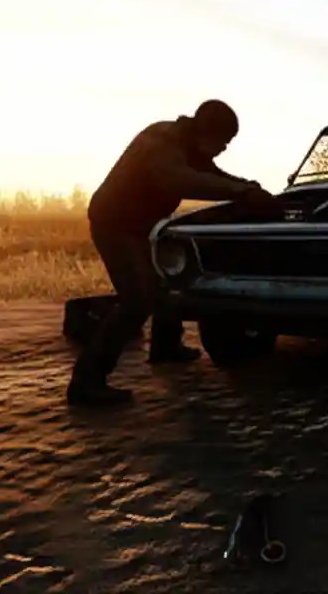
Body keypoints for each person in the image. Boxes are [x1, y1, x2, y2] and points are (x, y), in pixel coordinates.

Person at [68, 99, 278, 408]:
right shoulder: (162, 141)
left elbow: (213, 173)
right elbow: (180, 179)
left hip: (141, 225)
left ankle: (166, 347)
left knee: (166, 282)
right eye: (223, 141)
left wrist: (248, 186)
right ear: (207, 132)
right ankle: (86, 382)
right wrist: (241, 192)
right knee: (137, 299)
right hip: (115, 224)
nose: (224, 148)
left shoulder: (191, 146)